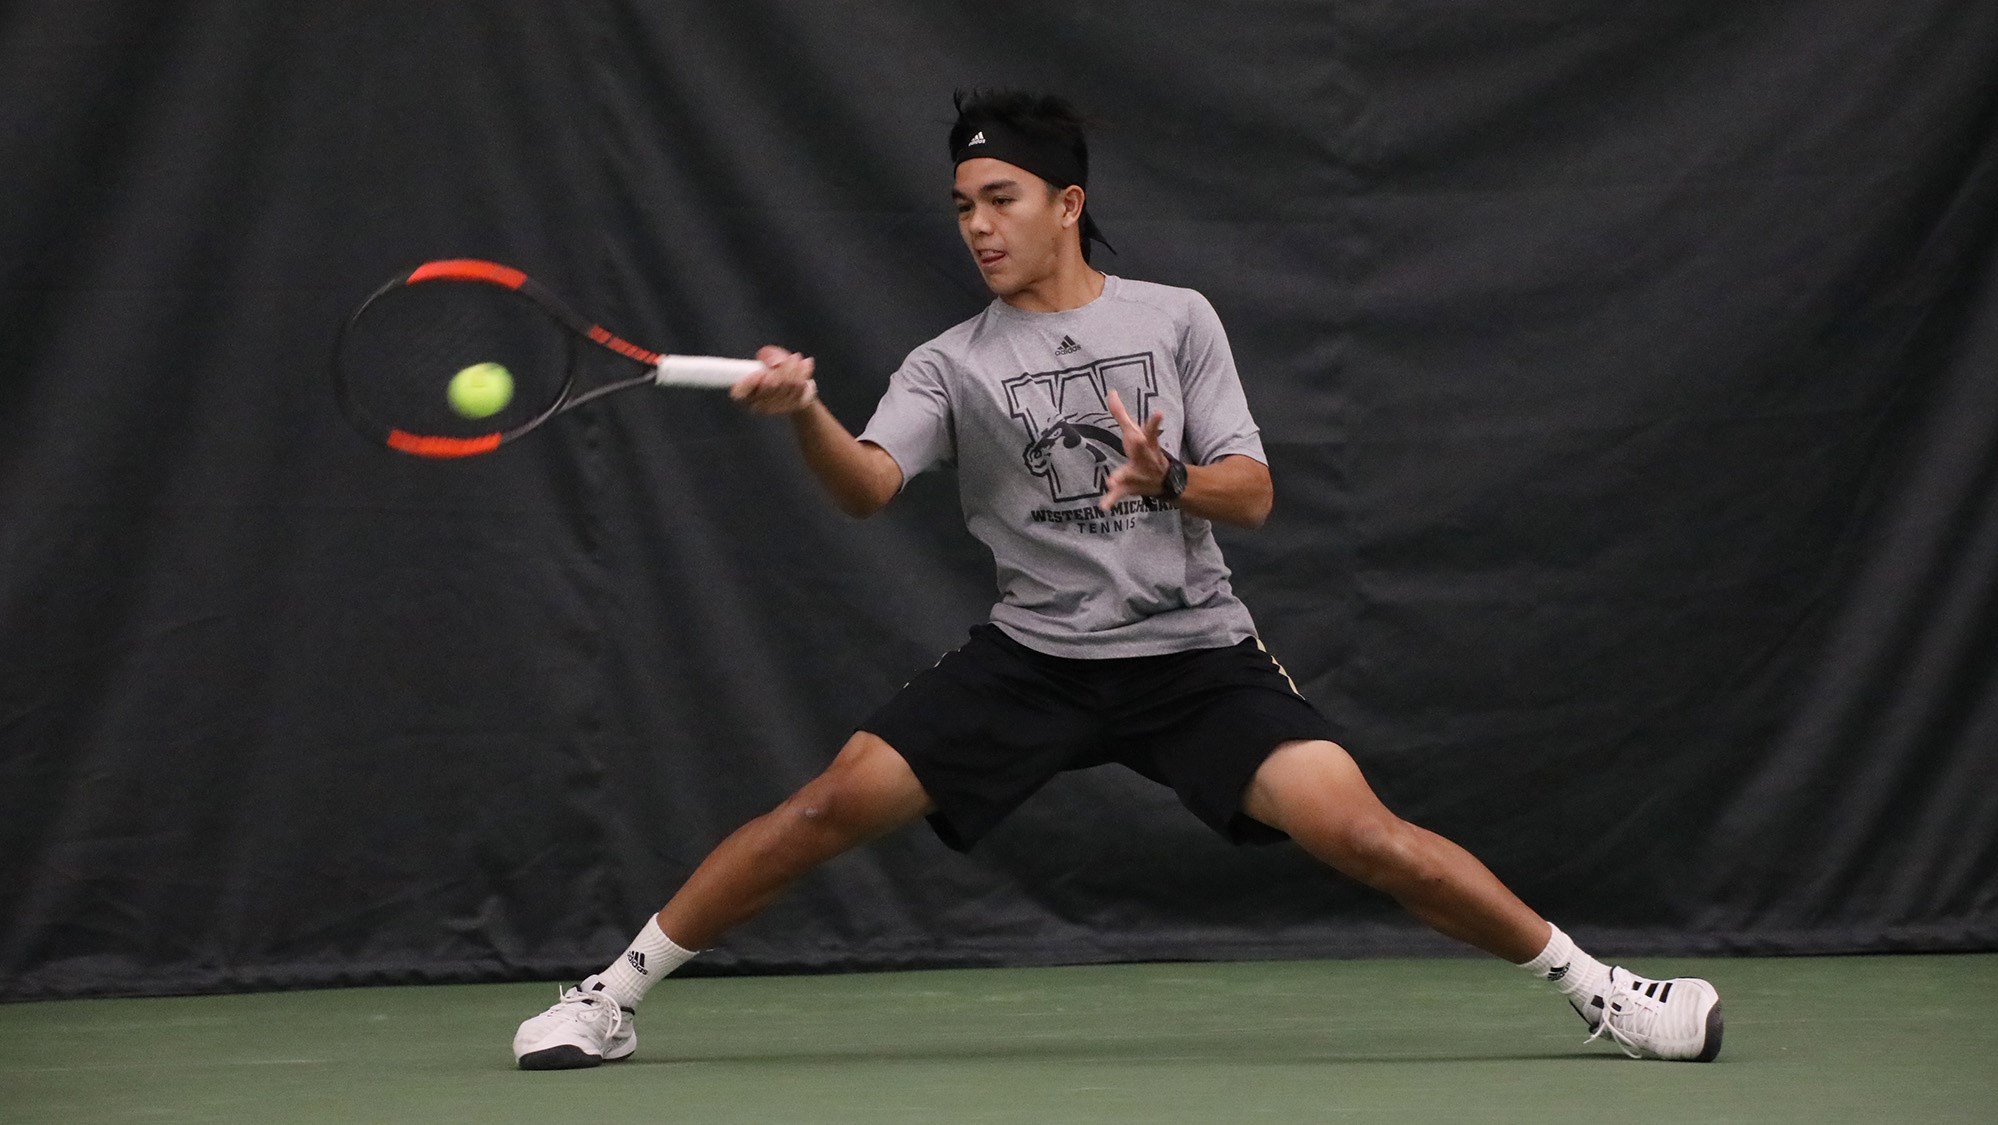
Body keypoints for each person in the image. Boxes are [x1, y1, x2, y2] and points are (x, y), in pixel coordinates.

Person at [511, 90, 1723, 1069]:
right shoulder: (949, 363)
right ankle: (606, 1000)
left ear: (1067, 204)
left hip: (1195, 656)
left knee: (1370, 837)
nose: (978, 225)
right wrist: (804, 413)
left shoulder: (1177, 319)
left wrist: (1166, 483)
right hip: (1035, 659)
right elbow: (868, 487)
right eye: (961, 206)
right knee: (825, 810)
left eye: (1002, 199)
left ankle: (1602, 993)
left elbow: (1250, 493)